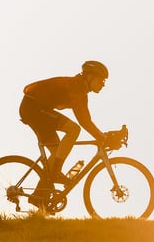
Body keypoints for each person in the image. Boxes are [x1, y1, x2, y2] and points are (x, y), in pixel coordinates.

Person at [19, 60, 110, 205]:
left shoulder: (81, 91)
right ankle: (55, 173)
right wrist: (103, 137)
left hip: (36, 108)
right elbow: (84, 122)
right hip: (34, 108)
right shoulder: (76, 88)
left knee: (57, 152)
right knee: (74, 129)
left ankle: (39, 196)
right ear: (90, 77)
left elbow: (87, 120)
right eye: (101, 80)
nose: (103, 84)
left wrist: (103, 136)